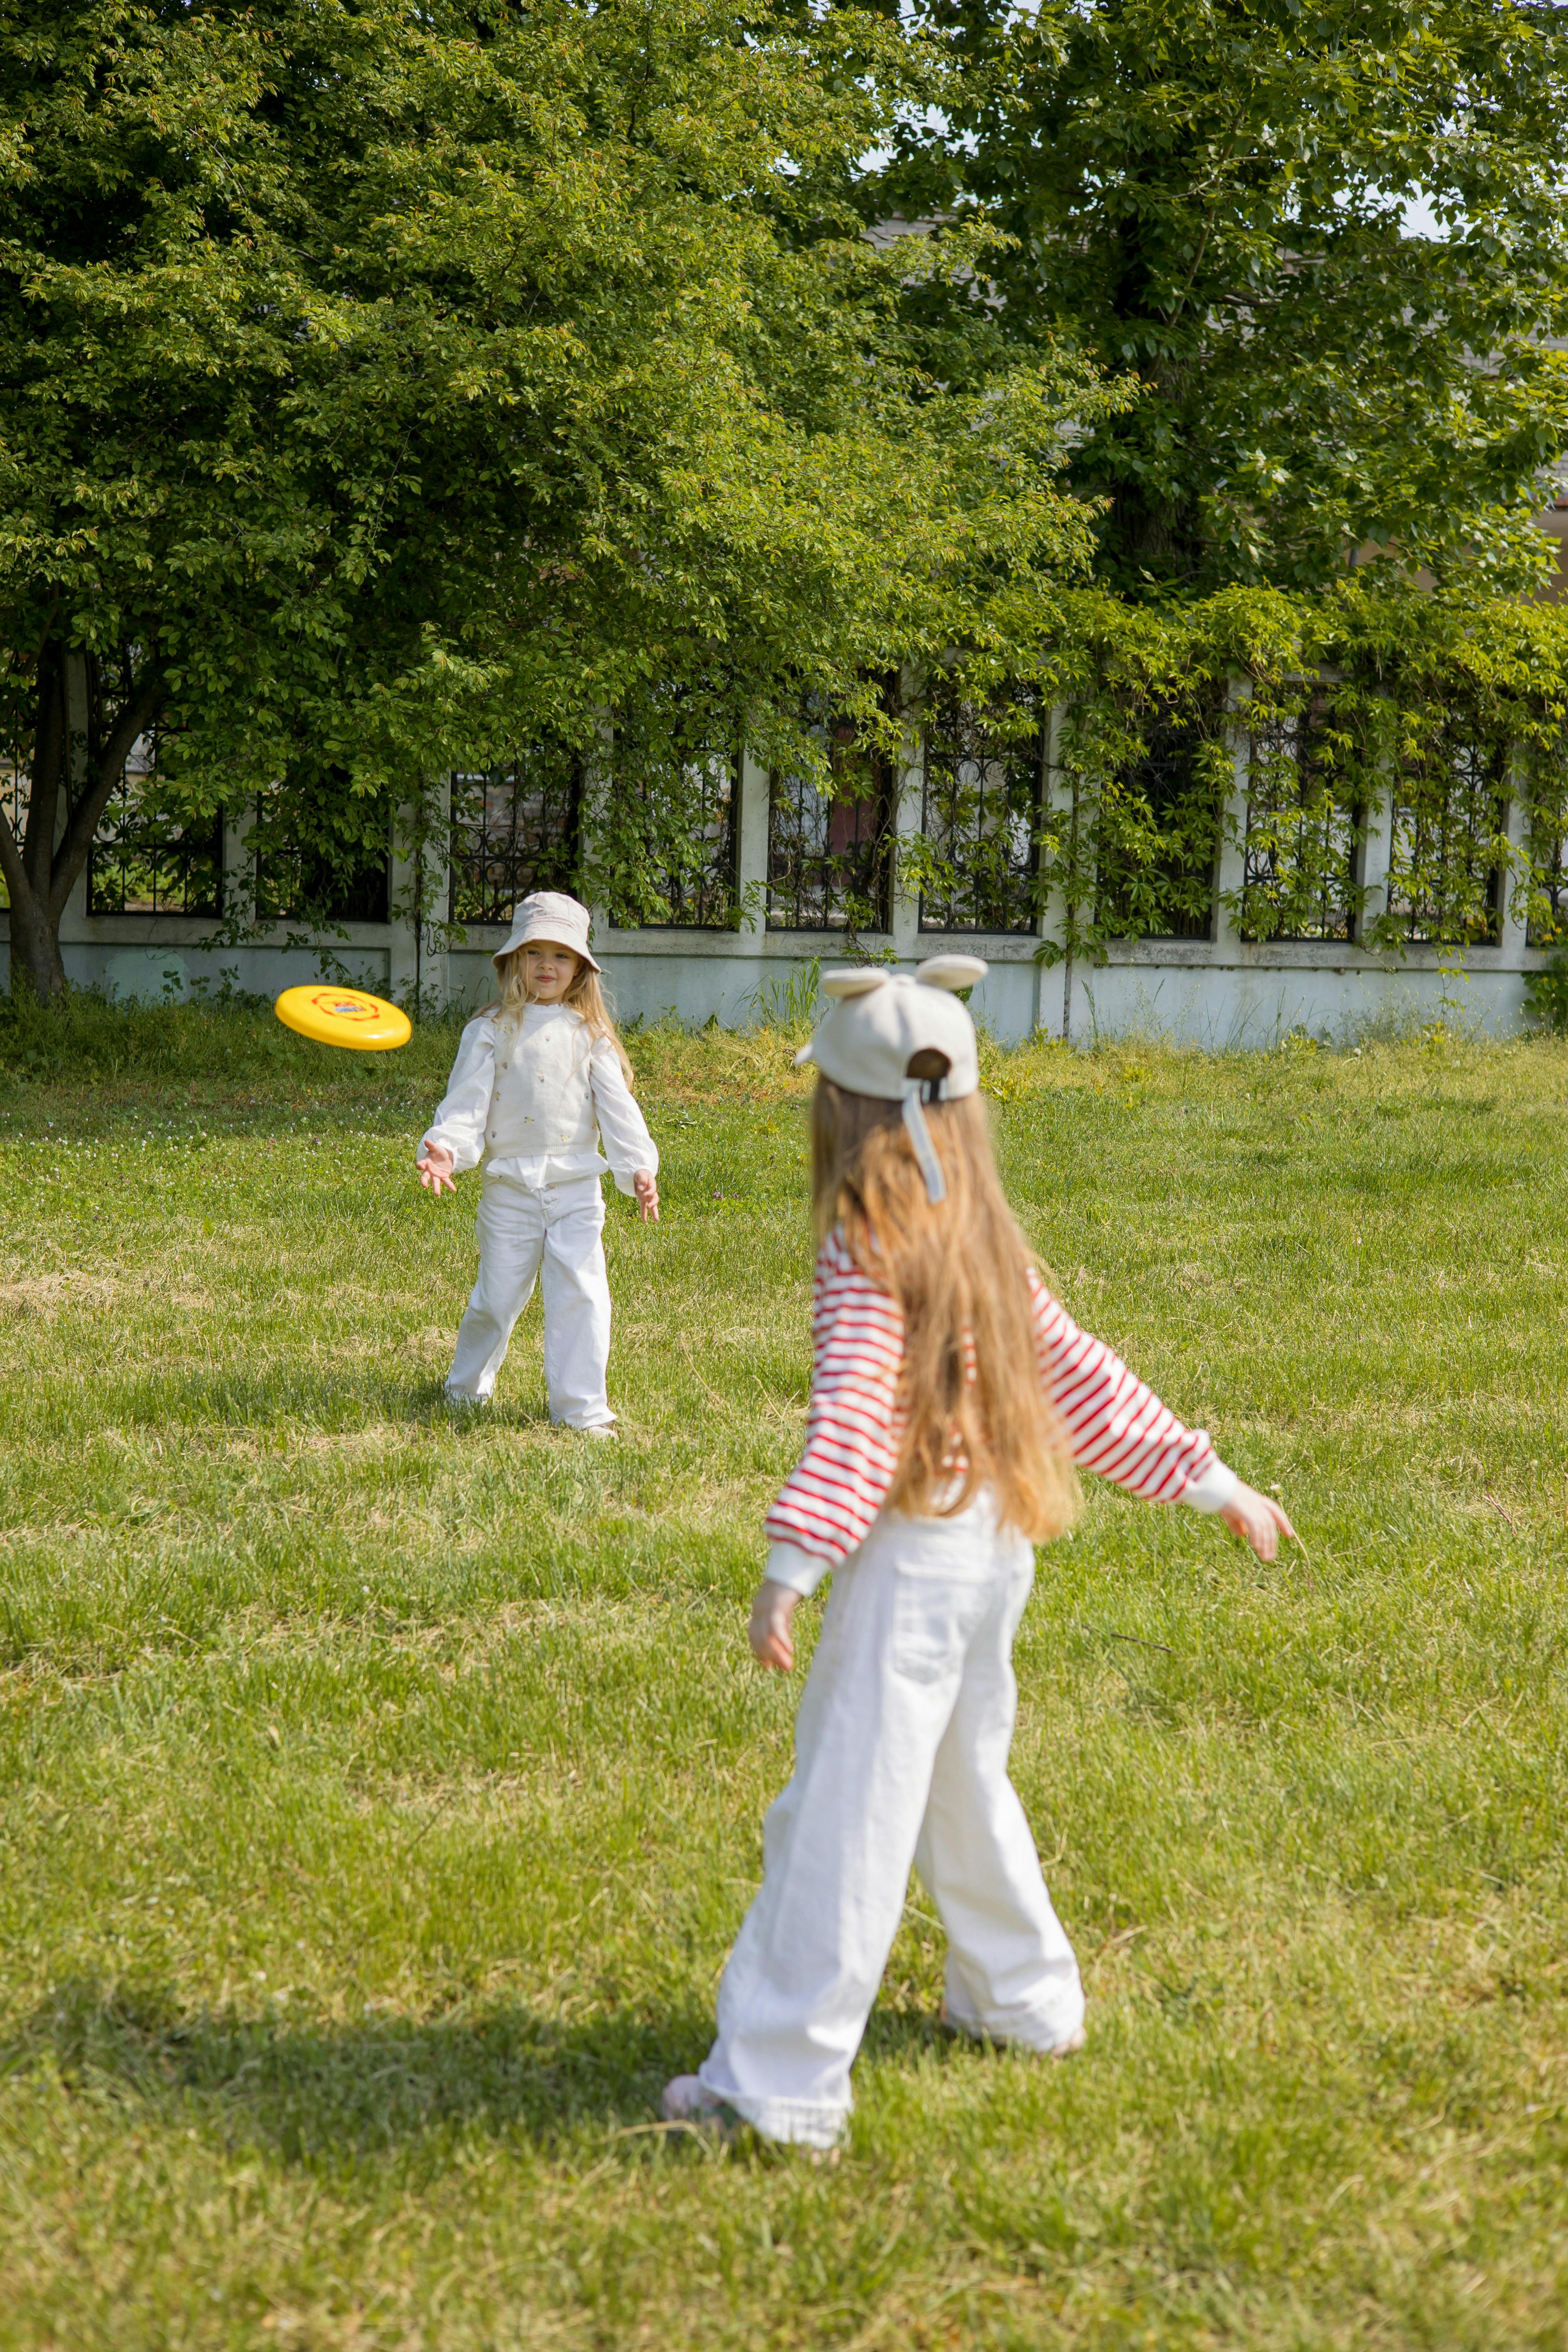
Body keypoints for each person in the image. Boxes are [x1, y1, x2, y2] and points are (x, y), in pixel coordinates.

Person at [664, 954, 1294, 2149]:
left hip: (907, 1563)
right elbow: (1083, 1380)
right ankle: (1020, 1999)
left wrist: (790, 1561)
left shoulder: (865, 1241)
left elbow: (853, 1419)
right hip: (990, 1550)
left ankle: (777, 2085)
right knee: (958, 1776)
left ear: (836, 1112)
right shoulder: (985, 1235)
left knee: (840, 1812)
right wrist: (1204, 1476)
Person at [416, 891, 659, 1431]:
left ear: (580, 970)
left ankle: (582, 1410)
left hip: (575, 1191)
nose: (546, 965)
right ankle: (465, 1390)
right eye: (534, 953)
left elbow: (619, 1111)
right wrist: (445, 1150)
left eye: (561, 955)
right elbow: (466, 1105)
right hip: (510, 1192)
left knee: (582, 1295)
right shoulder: (488, 1031)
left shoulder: (591, 1038)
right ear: (513, 961)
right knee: (495, 1299)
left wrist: (639, 1167)